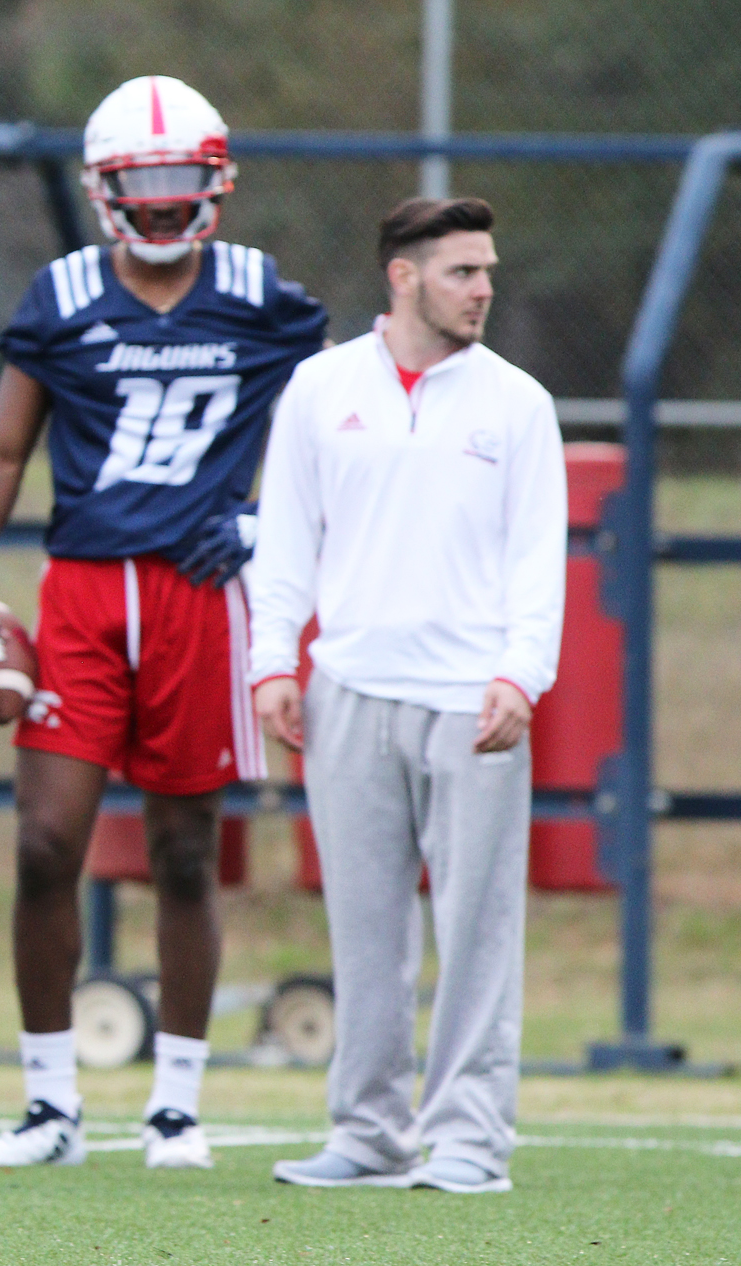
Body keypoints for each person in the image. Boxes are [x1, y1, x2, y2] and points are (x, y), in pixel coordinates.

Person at [0, 75, 327, 1171]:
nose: (163, 205)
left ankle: (174, 1104)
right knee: (42, 846)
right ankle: (48, 1103)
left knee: (181, 854)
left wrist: (261, 528)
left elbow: (322, 440)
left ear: (214, 183)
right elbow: (7, 451)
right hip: (81, 590)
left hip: (197, 593)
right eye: (140, 184)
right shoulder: (64, 294)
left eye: (180, 183)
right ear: (101, 187)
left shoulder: (259, 294)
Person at [253, 197, 564, 1196]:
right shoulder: (317, 388)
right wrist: (271, 662)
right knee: (362, 926)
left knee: (475, 929)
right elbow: (286, 539)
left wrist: (522, 673)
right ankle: (368, 1133)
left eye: (485, 271)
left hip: (472, 702)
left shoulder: (515, 402)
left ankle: (470, 1140)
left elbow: (537, 557)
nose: (481, 288)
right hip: (347, 690)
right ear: (402, 277)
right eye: (461, 272)